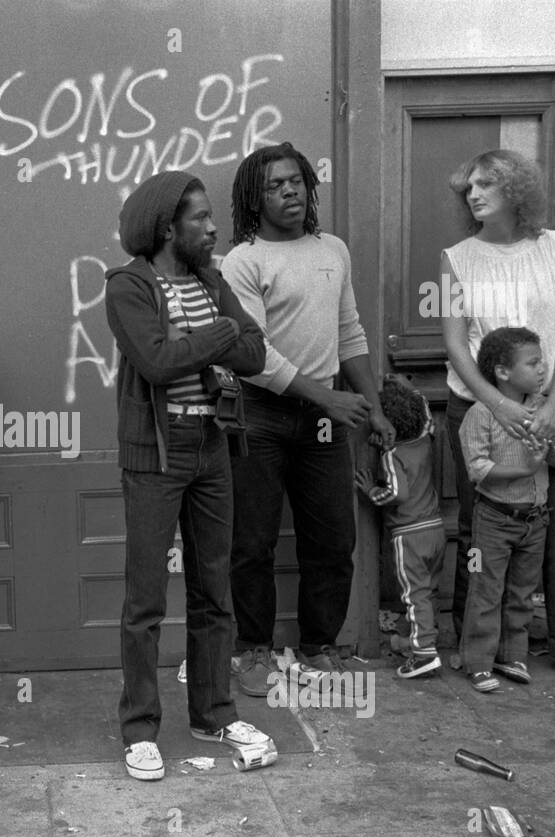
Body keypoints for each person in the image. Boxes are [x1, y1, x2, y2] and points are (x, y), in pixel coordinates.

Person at [105, 170, 275, 782]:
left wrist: (205, 335)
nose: (212, 228)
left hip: (212, 444)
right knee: (145, 601)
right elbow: (155, 361)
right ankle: (140, 728)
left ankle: (213, 712)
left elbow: (254, 353)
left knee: (213, 590)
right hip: (156, 450)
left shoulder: (211, 279)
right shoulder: (128, 284)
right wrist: (222, 334)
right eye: (200, 218)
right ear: (167, 226)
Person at [221, 142, 395, 698]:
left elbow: (350, 333)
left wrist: (374, 405)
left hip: (324, 418)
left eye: (297, 181)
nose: (290, 190)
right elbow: (254, 356)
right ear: (255, 196)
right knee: (253, 541)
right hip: (260, 414)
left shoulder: (333, 250)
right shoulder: (242, 261)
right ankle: (252, 649)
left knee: (331, 539)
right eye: (275, 185)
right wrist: (329, 398)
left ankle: (321, 646)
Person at [440, 149, 555, 688]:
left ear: (517, 189)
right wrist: (499, 405)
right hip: (482, 407)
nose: (474, 195)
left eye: (486, 184)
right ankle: (474, 645)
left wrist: (552, 405)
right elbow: (457, 345)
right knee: (479, 529)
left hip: (551, 403)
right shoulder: (457, 257)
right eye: (468, 188)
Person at [458, 327, 555, 692]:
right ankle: (478, 662)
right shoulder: (481, 414)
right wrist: (525, 468)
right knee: (486, 590)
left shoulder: (545, 409)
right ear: (503, 373)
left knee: (522, 593)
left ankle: (513, 656)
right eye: (534, 362)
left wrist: (552, 451)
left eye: (543, 361)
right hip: (493, 518)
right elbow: (478, 470)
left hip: (534, 520)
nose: (543, 369)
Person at [355, 375, 445, 678]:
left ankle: (424, 654)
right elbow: (428, 412)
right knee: (428, 591)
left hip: (408, 535)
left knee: (413, 594)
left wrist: (370, 491)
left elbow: (396, 493)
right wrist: (410, 389)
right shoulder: (425, 437)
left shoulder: (393, 455)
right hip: (435, 529)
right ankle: (419, 638)